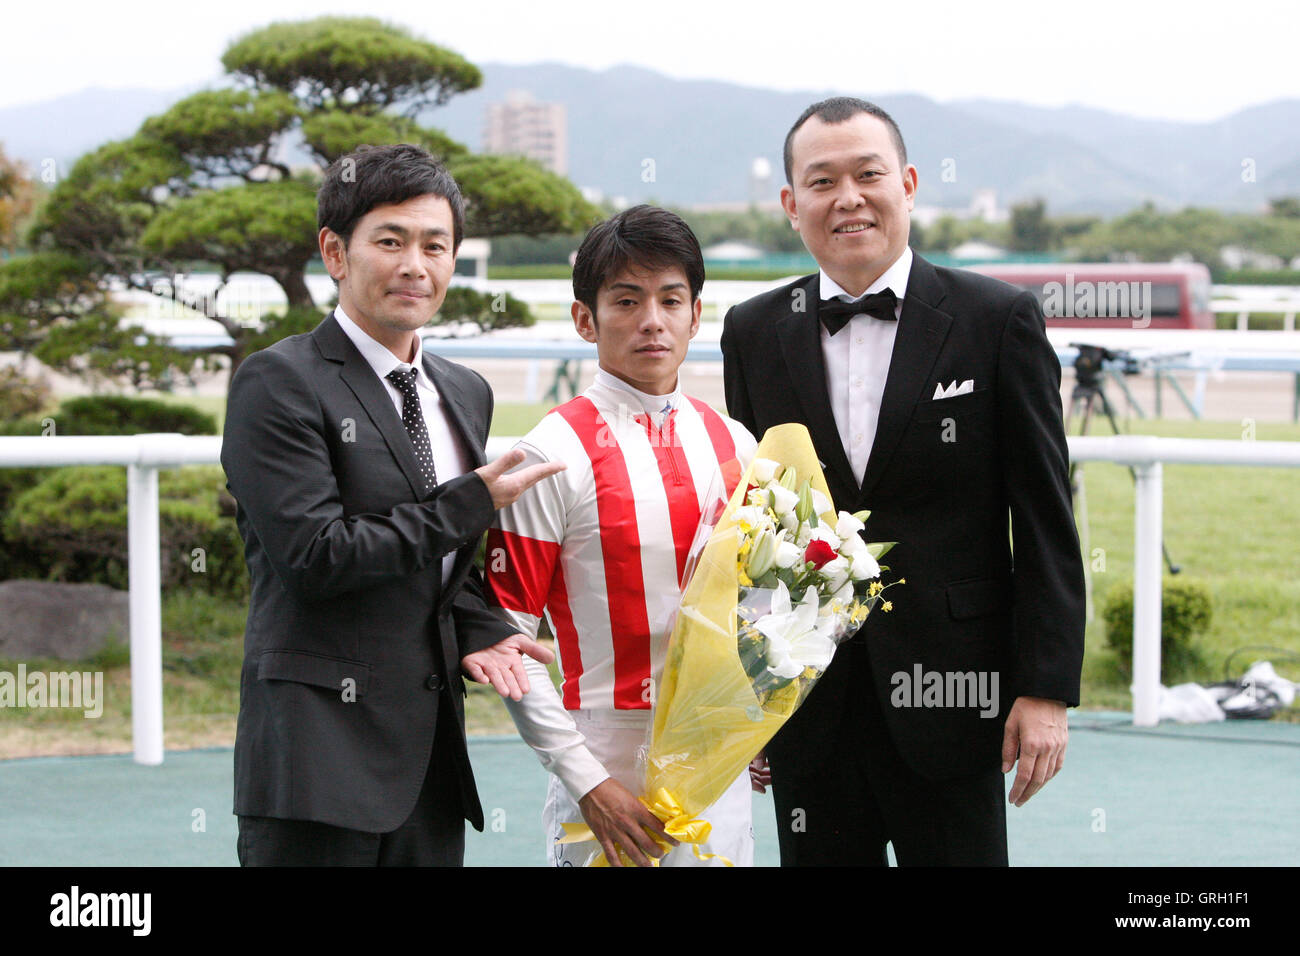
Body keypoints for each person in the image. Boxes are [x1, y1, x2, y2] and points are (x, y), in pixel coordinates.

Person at [721, 98, 1085, 866]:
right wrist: (755, 694)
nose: (847, 197)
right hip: (810, 704)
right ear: (792, 205)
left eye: (868, 174)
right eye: (822, 182)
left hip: (955, 697)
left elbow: (1047, 518)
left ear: (909, 184)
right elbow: (756, 525)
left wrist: (1045, 688)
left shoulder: (998, 319)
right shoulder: (753, 331)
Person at [221, 143, 562, 866]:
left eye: (436, 245)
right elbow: (316, 557)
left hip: (430, 763)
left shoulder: (464, 389)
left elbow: (445, 566)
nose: (416, 264)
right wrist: (470, 501)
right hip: (316, 761)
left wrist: (480, 624)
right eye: (391, 241)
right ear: (335, 253)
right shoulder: (277, 383)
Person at [485, 205, 758, 866]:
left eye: (671, 299)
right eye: (627, 300)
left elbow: (766, 607)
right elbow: (508, 637)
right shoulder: (547, 453)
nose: (652, 321)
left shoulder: (737, 444)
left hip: (719, 757)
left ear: (697, 314)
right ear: (586, 319)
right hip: (604, 752)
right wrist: (588, 784)